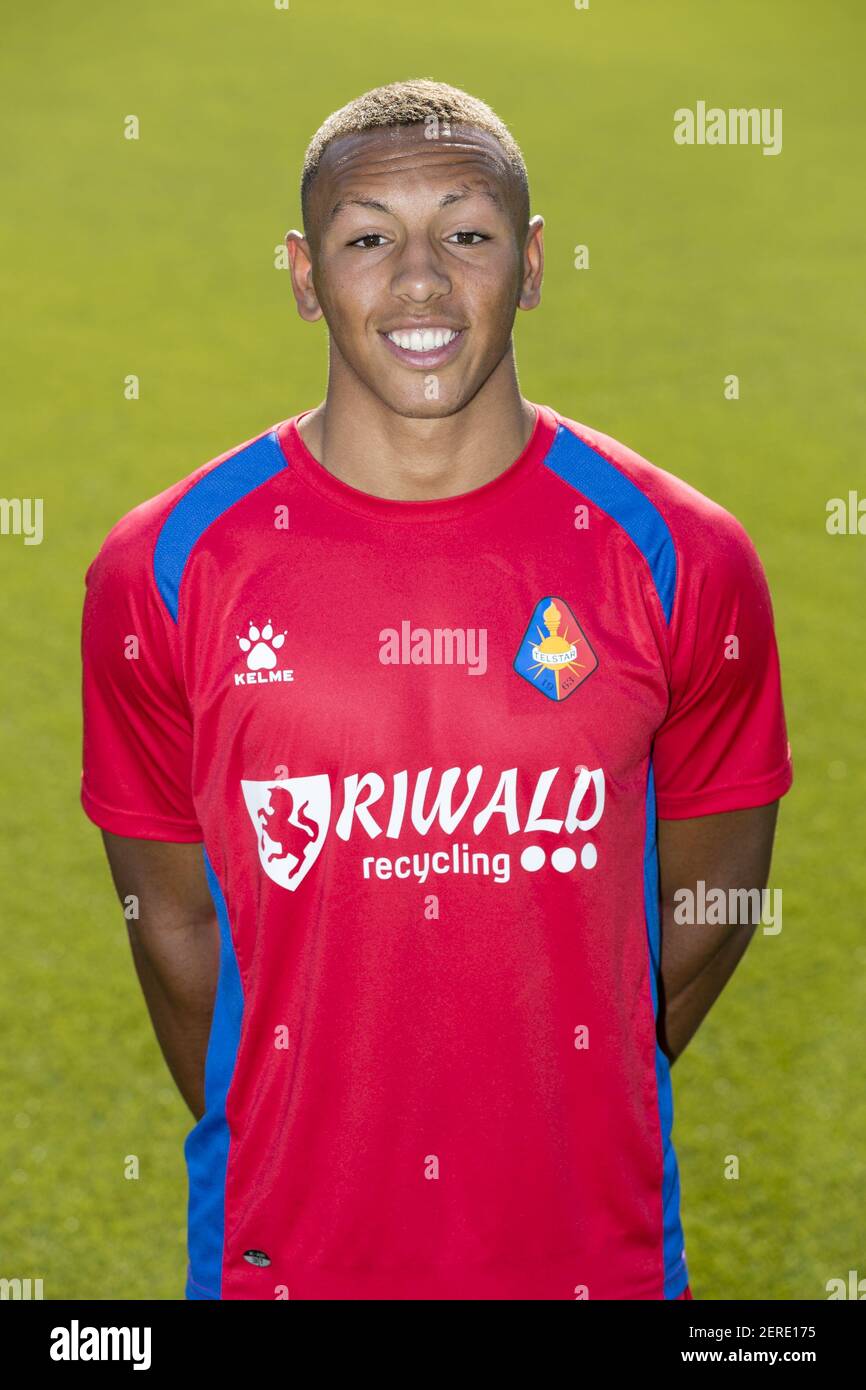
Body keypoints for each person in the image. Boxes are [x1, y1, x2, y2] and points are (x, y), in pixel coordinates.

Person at [80, 78, 793, 1301]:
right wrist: (305, 1123)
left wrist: (574, 1088)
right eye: (369, 239)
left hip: (594, 1259)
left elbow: (716, 890)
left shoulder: (681, 554)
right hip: (284, 1260)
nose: (419, 283)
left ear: (528, 264)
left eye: (465, 233)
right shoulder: (164, 567)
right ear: (305, 274)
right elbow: (177, 926)